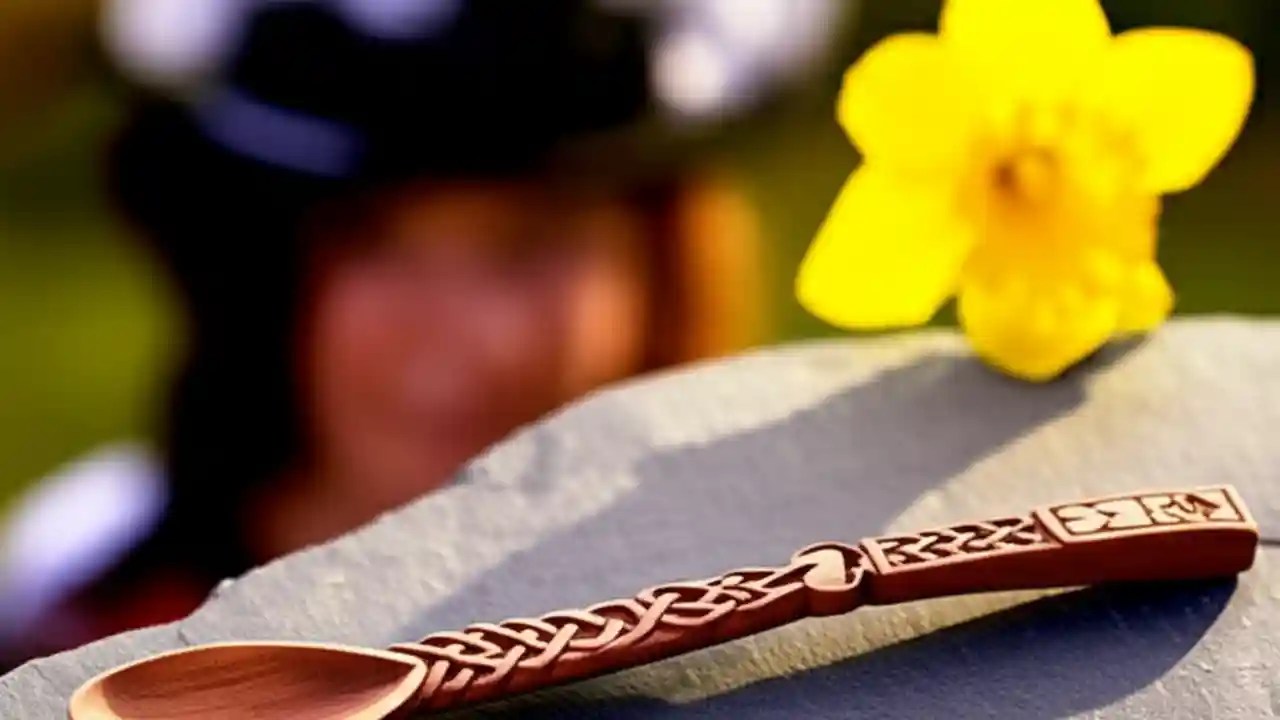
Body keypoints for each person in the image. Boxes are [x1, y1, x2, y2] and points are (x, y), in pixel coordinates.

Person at [0, 0, 842, 669]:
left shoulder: (813, 617)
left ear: (663, 264)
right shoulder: (76, 610)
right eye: (375, 241)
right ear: (253, 261)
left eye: (532, 243)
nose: (472, 340)